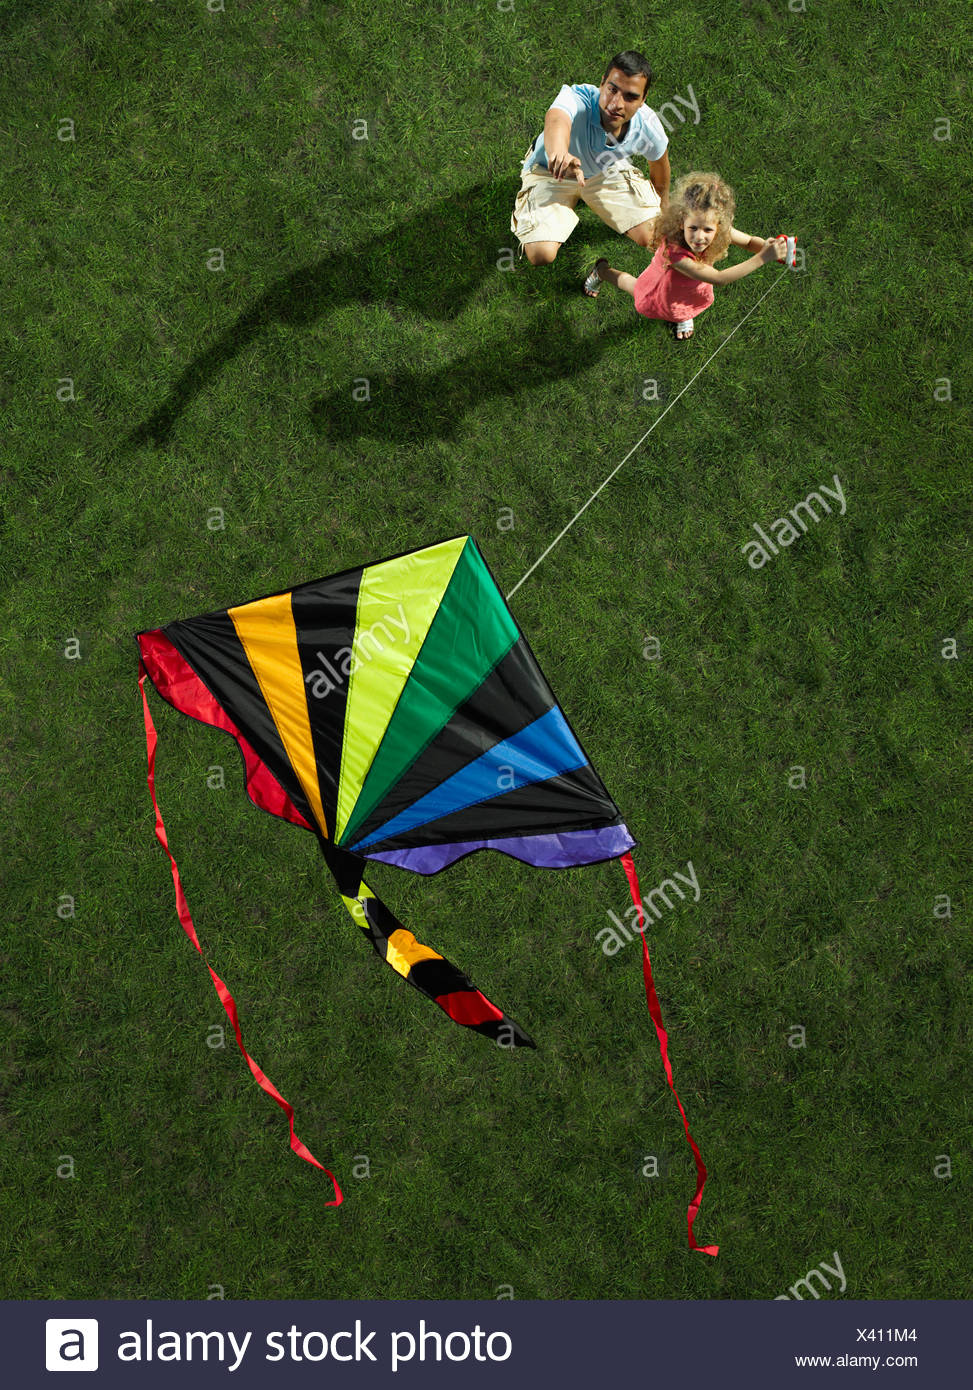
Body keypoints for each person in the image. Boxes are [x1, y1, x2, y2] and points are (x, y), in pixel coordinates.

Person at [582, 170, 789, 340]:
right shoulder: (675, 253)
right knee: (633, 287)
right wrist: (763, 257)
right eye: (693, 228)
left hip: (690, 289)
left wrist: (769, 247)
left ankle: (682, 314)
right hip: (659, 289)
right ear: (682, 223)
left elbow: (749, 241)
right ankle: (602, 272)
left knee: (682, 305)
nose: (699, 237)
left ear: (719, 226)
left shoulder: (719, 230)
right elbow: (719, 278)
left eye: (708, 230)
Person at [511, 50, 671, 267]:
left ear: (643, 100)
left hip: (603, 171)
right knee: (541, 255)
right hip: (549, 172)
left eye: (630, 96)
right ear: (602, 83)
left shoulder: (649, 127)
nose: (616, 103)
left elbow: (660, 170)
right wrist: (560, 154)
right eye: (612, 90)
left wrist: (665, 211)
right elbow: (557, 119)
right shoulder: (578, 97)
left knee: (654, 237)